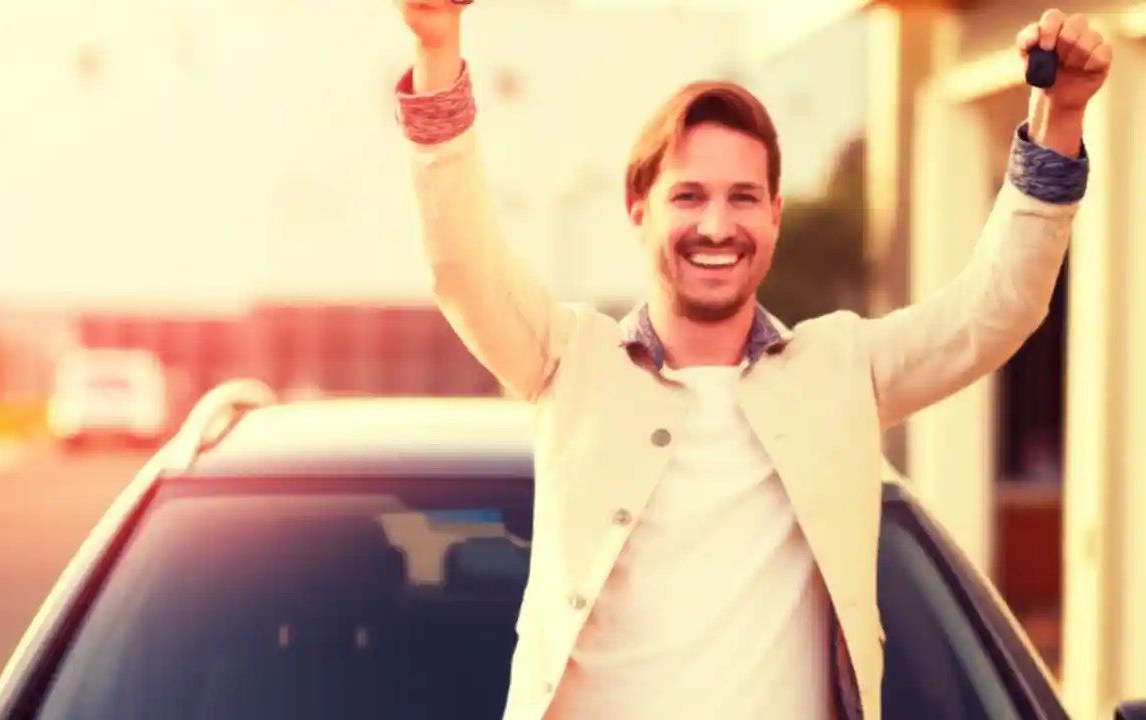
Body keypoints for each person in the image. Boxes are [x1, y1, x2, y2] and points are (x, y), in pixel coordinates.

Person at [388, 3, 1111, 718]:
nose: (715, 226)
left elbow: (996, 310)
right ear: (638, 208)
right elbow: (462, 264)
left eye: (742, 198)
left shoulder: (842, 371)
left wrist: (1061, 115)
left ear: (774, 216)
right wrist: (437, 43)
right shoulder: (569, 362)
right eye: (688, 196)